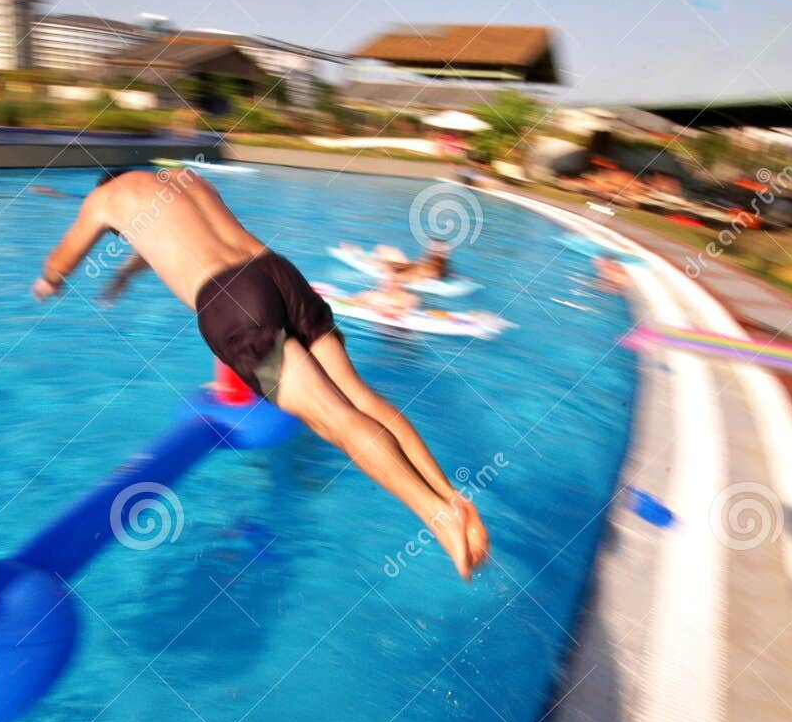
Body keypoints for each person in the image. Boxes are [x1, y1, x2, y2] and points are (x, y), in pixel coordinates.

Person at [33, 168, 490, 579]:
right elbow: (170, 232)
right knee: (361, 399)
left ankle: (439, 517)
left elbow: (62, 259)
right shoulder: (182, 177)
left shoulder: (102, 200)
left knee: (333, 420)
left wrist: (48, 280)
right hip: (276, 273)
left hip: (232, 305)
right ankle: (451, 498)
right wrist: (129, 274)